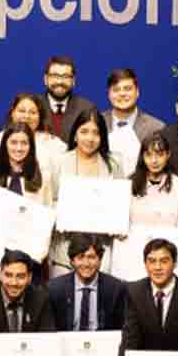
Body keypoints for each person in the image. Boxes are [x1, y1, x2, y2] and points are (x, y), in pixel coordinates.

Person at [47, 234, 127, 356]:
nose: (86, 263)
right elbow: (50, 330)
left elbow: (121, 329)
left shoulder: (116, 288)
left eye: (91, 257)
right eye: (80, 257)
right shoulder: (54, 288)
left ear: (100, 259)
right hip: (67, 355)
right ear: (72, 260)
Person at [49, 108, 127, 274]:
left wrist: (117, 222)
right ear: (75, 135)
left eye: (96, 133)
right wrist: (61, 216)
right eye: (84, 131)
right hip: (65, 251)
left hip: (102, 251)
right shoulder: (59, 162)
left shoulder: (114, 163)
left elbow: (121, 204)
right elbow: (50, 201)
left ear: (102, 137)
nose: (90, 138)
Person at [0, 94, 65, 181]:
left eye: (33, 112)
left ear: (40, 117)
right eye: (22, 111)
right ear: (12, 113)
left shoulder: (55, 145)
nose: (26, 116)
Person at [99, 67, 165, 177]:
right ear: (109, 94)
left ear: (137, 92)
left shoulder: (156, 128)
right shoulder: (97, 123)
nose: (122, 94)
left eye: (127, 89)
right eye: (116, 90)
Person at [129, 130, 178, 229]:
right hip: (134, 242)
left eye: (159, 155)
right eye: (148, 155)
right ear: (142, 156)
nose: (154, 160)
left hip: (167, 242)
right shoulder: (129, 185)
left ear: (168, 154)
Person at [41, 55, 94, 141]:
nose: (60, 81)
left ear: (73, 81)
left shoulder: (86, 108)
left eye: (66, 77)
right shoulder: (34, 106)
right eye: (55, 76)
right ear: (45, 79)